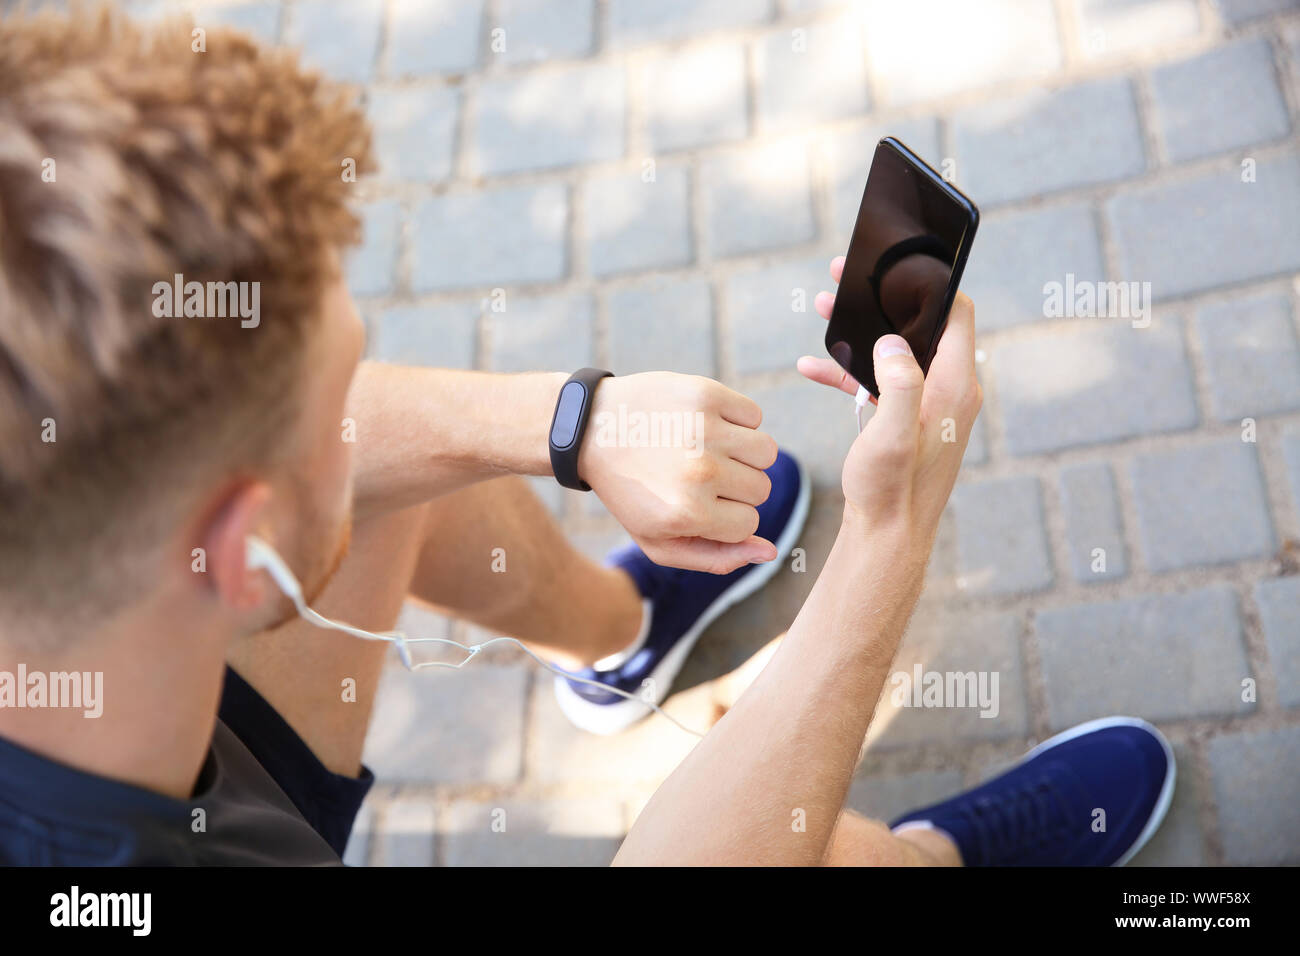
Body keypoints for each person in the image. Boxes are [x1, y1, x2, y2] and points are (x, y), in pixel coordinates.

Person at [0, 7, 1173, 867]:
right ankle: (918, 862)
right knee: (789, 839)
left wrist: (578, 423)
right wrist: (890, 532)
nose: (355, 409)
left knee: (409, 476)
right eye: (338, 391)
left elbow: (343, 453)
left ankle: (619, 640)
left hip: (176, 728)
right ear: (233, 547)